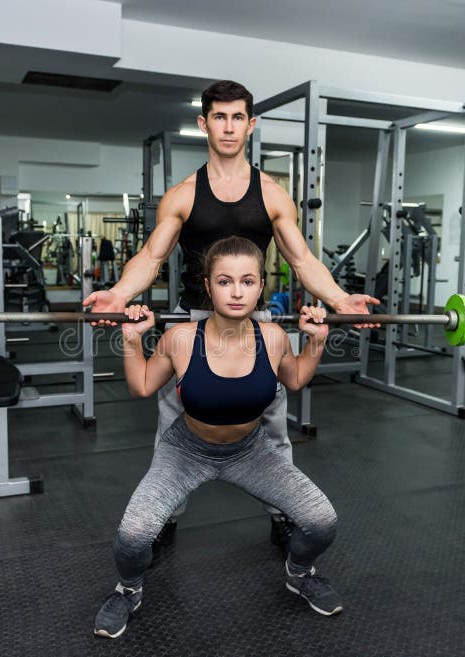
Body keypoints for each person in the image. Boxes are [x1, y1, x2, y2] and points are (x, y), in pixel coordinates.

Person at [83, 79, 379, 549]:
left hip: (253, 325)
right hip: (190, 323)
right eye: (219, 117)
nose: (228, 126)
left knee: (273, 424)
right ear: (203, 124)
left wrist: (342, 300)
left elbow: (302, 260)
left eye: (237, 117)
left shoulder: (273, 195)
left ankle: (283, 512)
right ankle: (165, 516)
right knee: (172, 426)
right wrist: (118, 293)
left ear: (251, 124)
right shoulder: (183, 195)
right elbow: (152, 257)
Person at [94, 237, 341, 639]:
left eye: (248, 281)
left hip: (251, 452)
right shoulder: (180, 339)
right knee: (133, 536)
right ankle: (128, 590)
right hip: (186, 451)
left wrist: (316, 341)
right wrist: (132, 338)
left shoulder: (274, 337)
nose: (237, 291)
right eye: (225, 281)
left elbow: (295, 378)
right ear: (208, 287)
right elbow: (141, 385)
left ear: (262, 285)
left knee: (321, 522)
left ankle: (299, 574)